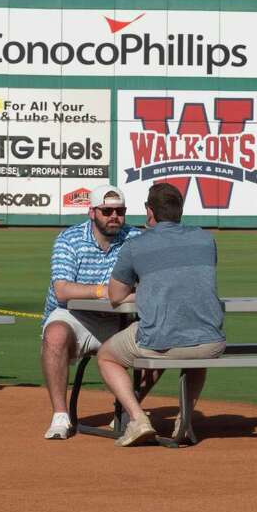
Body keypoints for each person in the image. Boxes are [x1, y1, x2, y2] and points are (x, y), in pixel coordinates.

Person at [96, 182, 226, 447]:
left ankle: (137, 419)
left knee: (106, 356)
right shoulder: (205, 238)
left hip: (161, 342)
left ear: (149, 211)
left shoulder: (136, 245)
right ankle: (184, 419)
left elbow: (115, 296)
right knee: (196, 353)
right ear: (180, 210)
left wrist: (145, 290)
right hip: (211, 343)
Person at [41, 184, 144, 439]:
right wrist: (105, 292)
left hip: (118, 319)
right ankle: (60, 416)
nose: (114, 217)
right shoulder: (69, 239)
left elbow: (148, 284)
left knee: (163, 338)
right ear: (92, 212)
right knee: (54, 334)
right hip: (74, 316)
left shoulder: (136, 239)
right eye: (106, 210)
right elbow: (63, 290)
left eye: (120, 211)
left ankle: (124, 410)